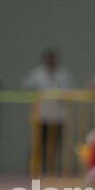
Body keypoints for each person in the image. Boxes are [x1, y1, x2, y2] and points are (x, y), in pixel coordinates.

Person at [22, 48, 73, 176]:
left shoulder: (62, 74)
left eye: (53, 59)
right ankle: (35, 171)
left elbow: (69, 91)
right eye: (49, 59)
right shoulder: (37, 73)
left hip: (58, 117)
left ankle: (52, 171)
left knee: (54, 146)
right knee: (38, 144)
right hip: (41, 116)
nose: (51, 62)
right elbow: (25, 87)